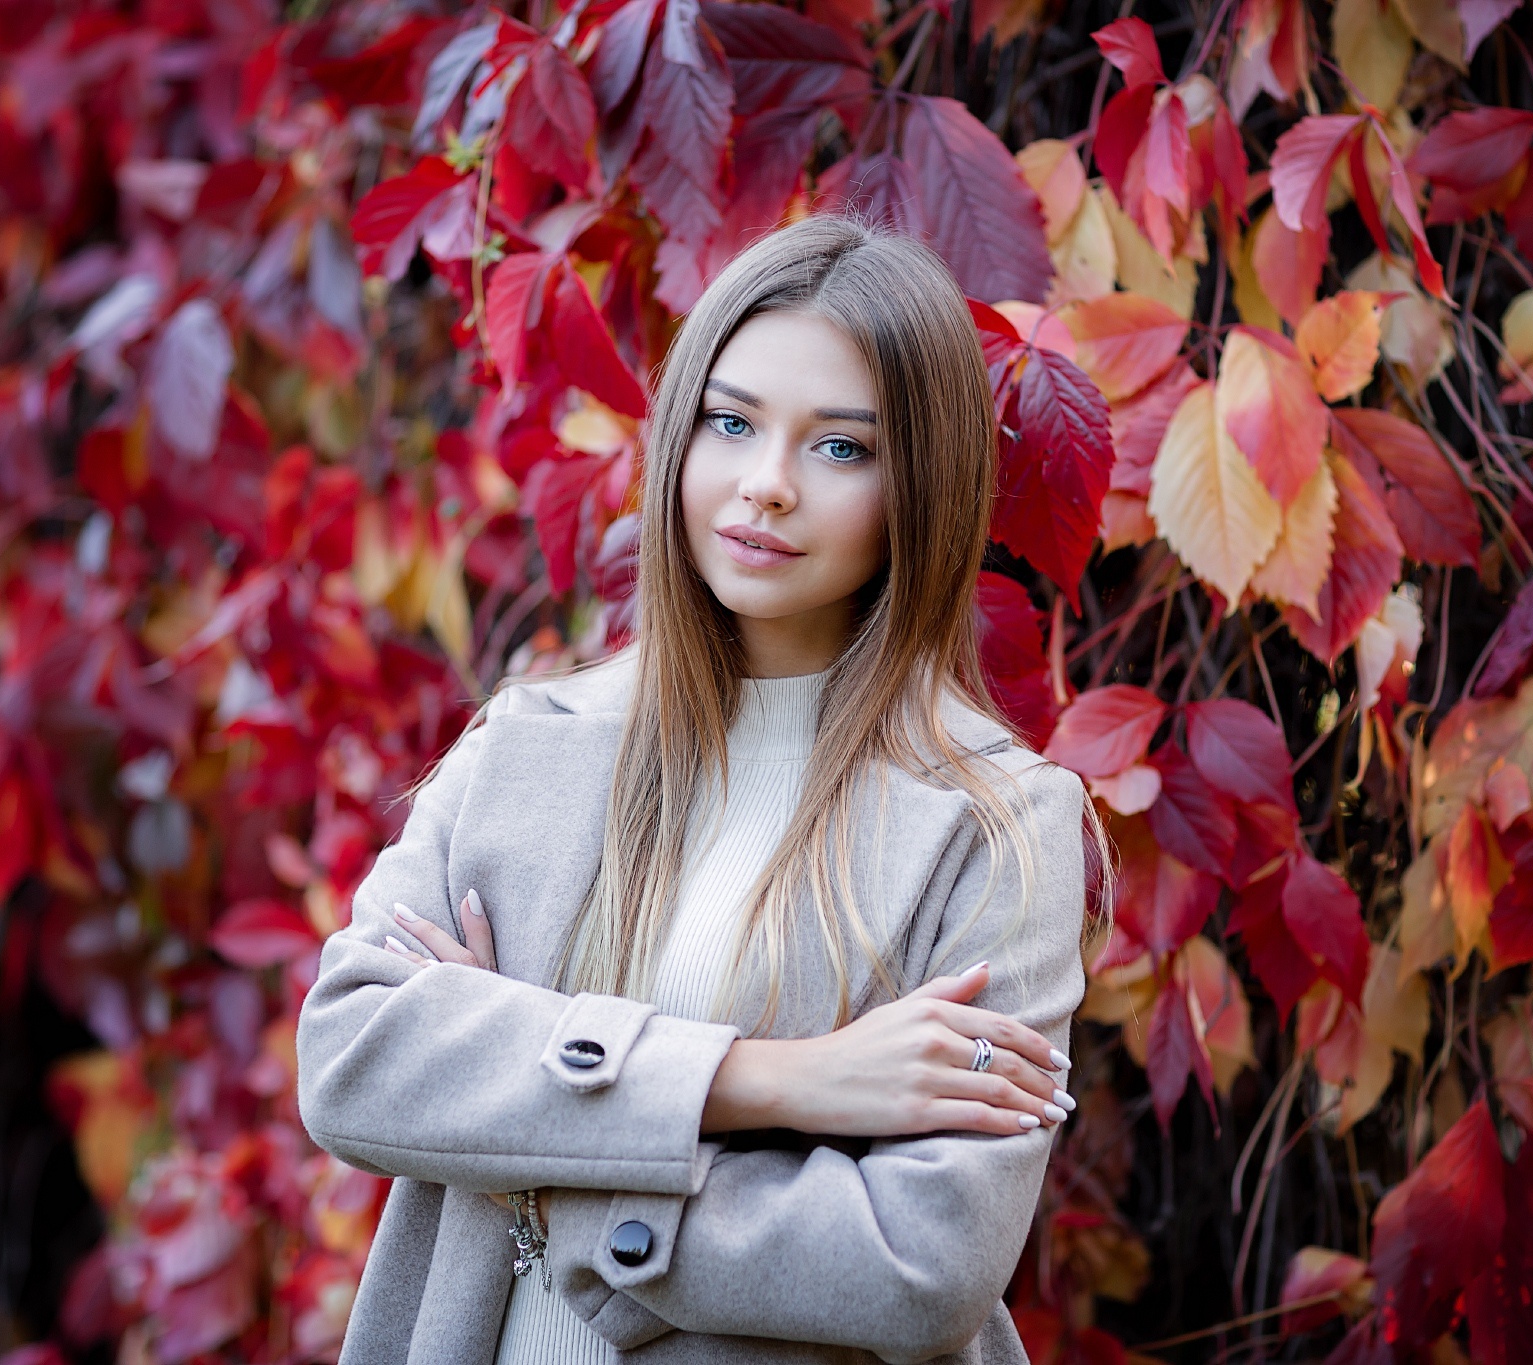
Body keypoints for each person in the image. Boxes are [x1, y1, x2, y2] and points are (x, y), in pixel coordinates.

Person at [296, 213, 1105, 1365]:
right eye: (730, 424)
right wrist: (775, 1082)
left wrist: (533, 1159)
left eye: (840, 448)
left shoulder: (992, 824)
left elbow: (922, 1266)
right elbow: (352, 1057)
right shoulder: (527, 746)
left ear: (920, 487)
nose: (764, 485)